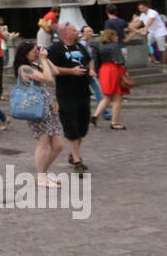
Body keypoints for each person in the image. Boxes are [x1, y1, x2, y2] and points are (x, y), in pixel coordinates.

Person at [12, 41, 65, 189]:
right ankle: (41, 177)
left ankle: (42, 173)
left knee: (57, 145)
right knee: (43, 141)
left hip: (47, 107)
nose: (37, 53)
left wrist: (45, 58)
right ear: (26, 54)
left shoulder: (35, 65)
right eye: (34, 51)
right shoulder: (25, 68)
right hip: (36, 107)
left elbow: (54, 72)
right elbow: (48, 79)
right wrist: (42, 59)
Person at [47, 23, 92, 173]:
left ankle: (74, 154)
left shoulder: (80, 46)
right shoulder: (56, 49)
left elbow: (89, 59)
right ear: (65, 33)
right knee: (71, 124)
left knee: (83, 125)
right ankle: (77, 160)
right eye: (74, 30)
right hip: (66, 92)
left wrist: (91, 70)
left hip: (83, 91)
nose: (77, 32)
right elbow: (51, 68)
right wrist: (71, 71)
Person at [92, 28, 128, 129]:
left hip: (104, 70)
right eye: (115, 36)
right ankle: (115, 122)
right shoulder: (115, 46)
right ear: (111, 37)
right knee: (117, 97)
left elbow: (96, 61)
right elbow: (120, 61)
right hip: (114, 70)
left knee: (107, 96)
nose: (117, 37)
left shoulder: (99, 46)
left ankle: (95, 115)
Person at [79, 26, 110, 120]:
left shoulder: (86, 44)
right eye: (88, 31)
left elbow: (90, 59)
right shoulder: (82, 44)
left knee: (96, 91)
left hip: (87, 71)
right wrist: (91, 70)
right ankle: (104, 113)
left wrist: (92, 69)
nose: (90, 33)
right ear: (83, 33)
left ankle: (104, 112)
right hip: (85, 71)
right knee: (97, 91)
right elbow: (86, 59)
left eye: (91, 31)